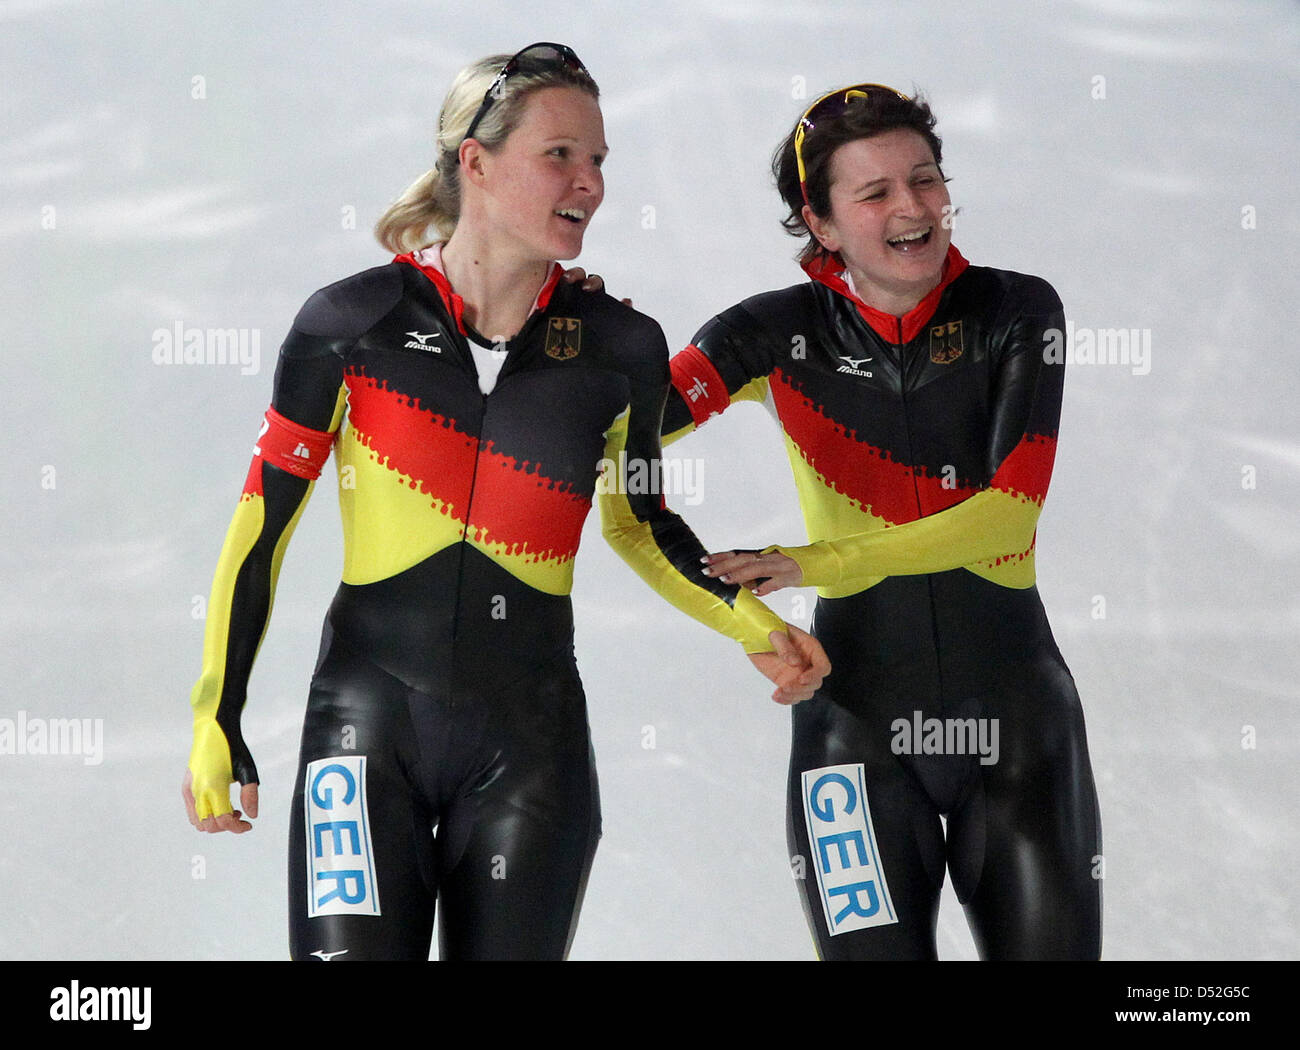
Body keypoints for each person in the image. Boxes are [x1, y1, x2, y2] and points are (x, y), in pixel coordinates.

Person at [181, 43, 829, 962]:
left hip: (531, 749)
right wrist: (217, 717)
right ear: (475, 162)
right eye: (560, 153)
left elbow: (640, 523)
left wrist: (753, 624)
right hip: (365, 734)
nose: (590, 181)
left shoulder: (618, 346)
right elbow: (261, 530)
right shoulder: (350, 325)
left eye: (599, 159)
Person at [660, 84, 1102, 960]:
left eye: (927, 179)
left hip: (1017, 728)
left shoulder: (1016, 313)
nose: (914, 208)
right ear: (819, 225)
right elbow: (608, 440)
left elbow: (1006, 515)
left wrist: (809, 563)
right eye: (875, 193)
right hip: (851, 733)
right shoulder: (768, 334)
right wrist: (739, 613)